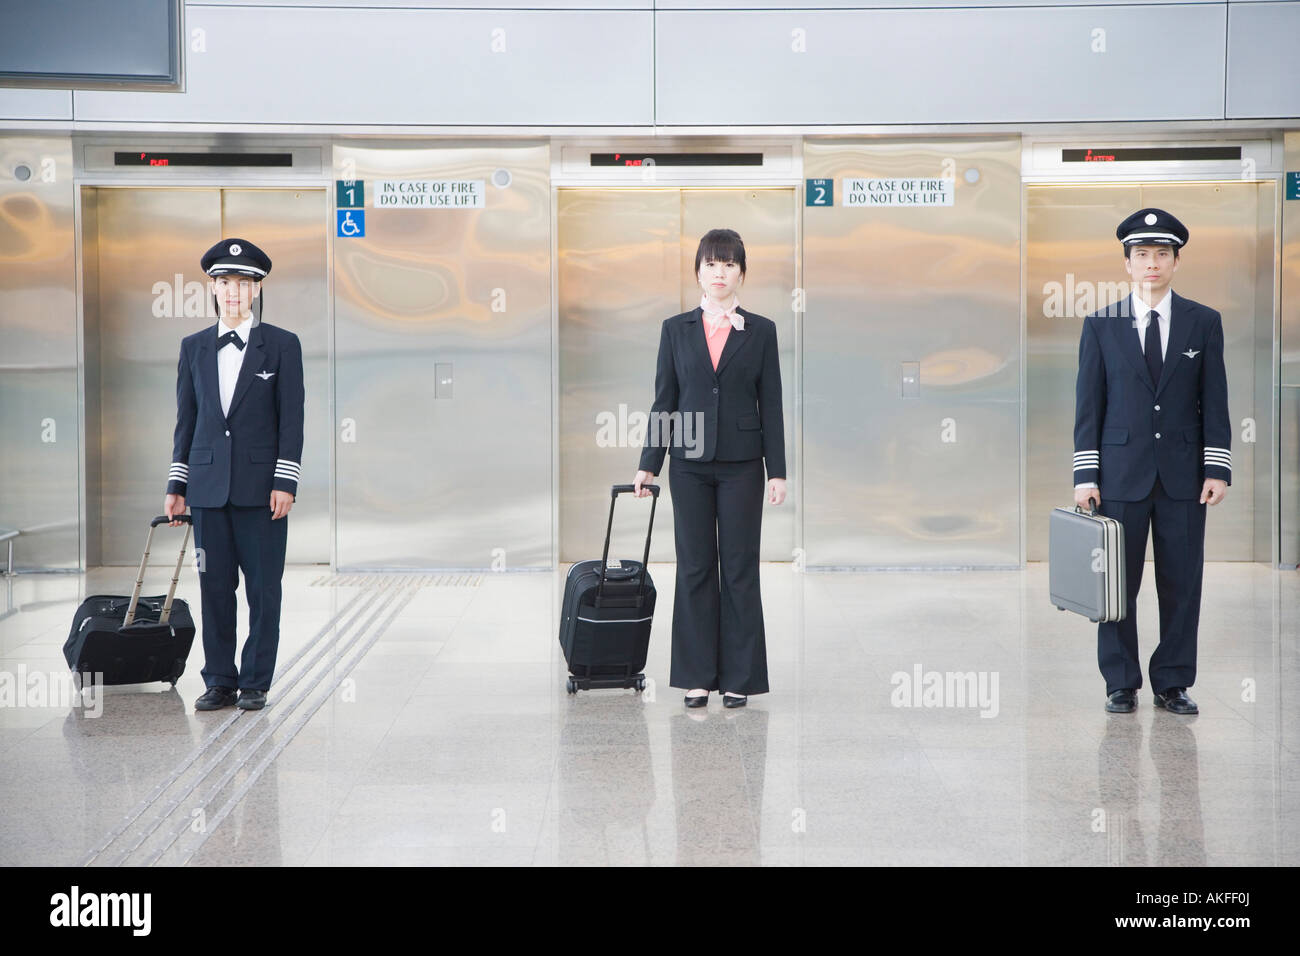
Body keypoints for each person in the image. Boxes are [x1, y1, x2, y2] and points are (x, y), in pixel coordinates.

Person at [1072, 208, 1230, 716]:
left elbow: (1216, 400)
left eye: (1162, 254)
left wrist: (1217, 467)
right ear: (1128, 264)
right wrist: (1085, 476)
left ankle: (1173, 682)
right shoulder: (1101, 324)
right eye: (1142, 255)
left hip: (1185, 476)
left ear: (1176, 261)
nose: (1152, 263)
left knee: (1182, 582)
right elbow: (1088, 406)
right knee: (1117, 584)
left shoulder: (1203, 322)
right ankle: (1120, 681)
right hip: (1119, 475)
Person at [632, 228, 787, 709]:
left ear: (742, 272)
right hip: (690, 467)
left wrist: (776, 470)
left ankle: (739, 677)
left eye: (728, 264)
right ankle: (697, 676)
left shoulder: (761, 330)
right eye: (710, 264)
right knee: (696, 568)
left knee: (739, 569)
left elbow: (772, 404)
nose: (719, 273)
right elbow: (665, 401)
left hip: (743, 466)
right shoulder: (674, 329)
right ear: (697, 271)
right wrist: (649, 464)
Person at [162, 238, 305, 711]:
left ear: (256, 289)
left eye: (244, 284)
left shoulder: (282, 345)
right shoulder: (194, 347)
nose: (234, 292)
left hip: (261, 491)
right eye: (226, 283)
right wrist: (176, 485)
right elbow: (188, 420)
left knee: (264, 590)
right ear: (213, 287)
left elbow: (292, 418)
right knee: (214, 589)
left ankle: (255, 681)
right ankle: (219, 679)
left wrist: (285, 481)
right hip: (206, 490)